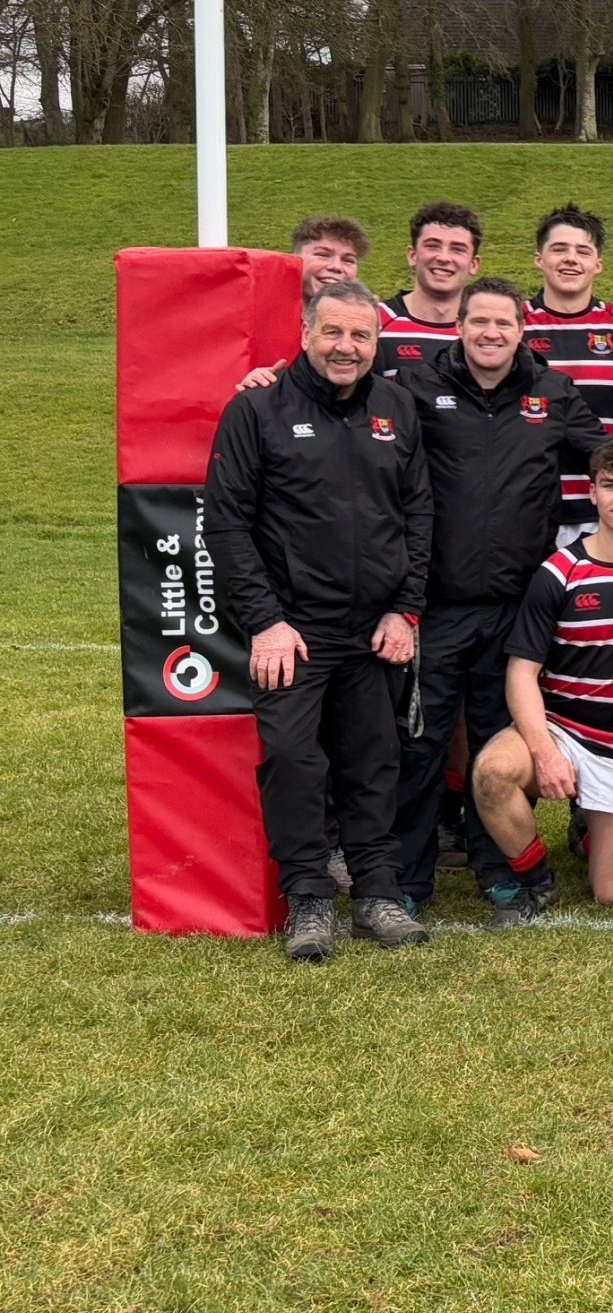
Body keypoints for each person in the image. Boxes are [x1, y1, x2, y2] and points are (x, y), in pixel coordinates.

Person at [203, 278, 433, 962]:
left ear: (376, 343)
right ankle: (307, 900)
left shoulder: (398, 408)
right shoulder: (257, 410)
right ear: (305, 334)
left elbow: (419, 513)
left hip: (373, 631)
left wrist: (405, 608)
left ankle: (377, 895)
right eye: (333, 333)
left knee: (374, 761)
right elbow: (226, 522)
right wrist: (266, 621)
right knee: (295, 761)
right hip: (292, 631)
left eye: (361, 336)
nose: (346, 347)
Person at [392, 277, 607, 910]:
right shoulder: (414, 388)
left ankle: (500, 869)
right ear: (459, 326)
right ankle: (407, 880)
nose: (491, 333)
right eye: (478, 321)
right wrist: (273, 374)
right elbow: (344, 402)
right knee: (421, 744)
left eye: (503, 324)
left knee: (495, 740)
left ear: (523, 331)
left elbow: (611, 460)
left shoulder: (553, 391)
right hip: (436, 603)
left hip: (515, 607)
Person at [475, 436, 613, 923]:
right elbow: (521, 674)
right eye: (609, 486)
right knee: (492, 773)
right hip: (562, 726)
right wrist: (545, 753)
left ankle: (594, 822)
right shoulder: (559, 571)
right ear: (591, 493)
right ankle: (538, 882)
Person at [519, 203, 613, 536]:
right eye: (559, 249)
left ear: (597, 265)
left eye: (582, 251)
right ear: (540, 259)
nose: (570, 258)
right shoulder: (513, 323)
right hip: (527, 511)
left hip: (603, 511)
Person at [376, 201, 484, 377]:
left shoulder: (489, 331)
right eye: (432, 246)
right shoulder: (378, 321)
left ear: (474, 264)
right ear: (412, 255)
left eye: (457, 249)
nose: (443, 257)